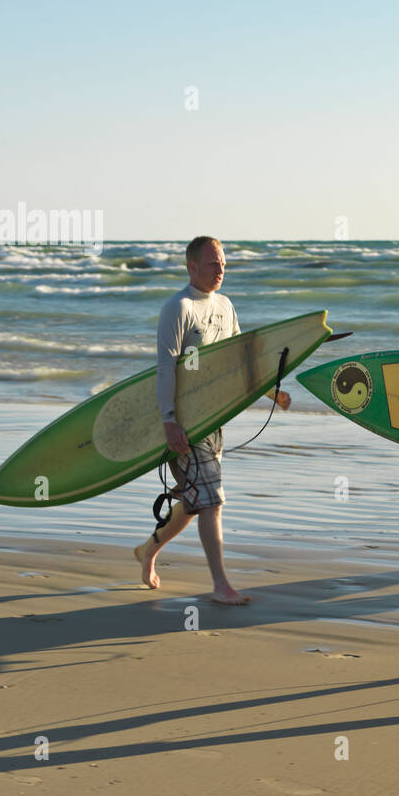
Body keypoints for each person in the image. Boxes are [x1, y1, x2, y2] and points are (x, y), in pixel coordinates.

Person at [132, 236, 290, 604]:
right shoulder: (179, 307)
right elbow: (165, 368)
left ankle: (147, 551)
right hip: (185, 421)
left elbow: (237, 362)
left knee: (195, 501)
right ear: (192, 267)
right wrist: (169, 420)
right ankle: (220, 584)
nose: (221, 270)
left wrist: (272, 392)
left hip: (214, 419)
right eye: (212, 264)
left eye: (223, 264)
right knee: (212, 500)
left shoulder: (225, 305)